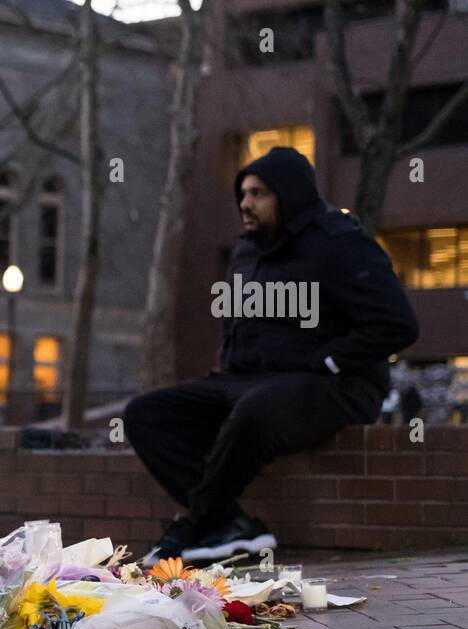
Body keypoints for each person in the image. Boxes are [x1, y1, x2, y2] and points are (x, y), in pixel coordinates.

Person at [124, 146, 419, 565]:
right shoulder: (246, 251)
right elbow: (236, 322)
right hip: (251, 380)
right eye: (242, 193)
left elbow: (398, 324)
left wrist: (329, 360)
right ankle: (231, 524)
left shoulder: (340, 244)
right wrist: (226, 366)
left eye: (258, 193)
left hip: (337, 384)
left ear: (290, 194)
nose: (245, 203)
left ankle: (193, 525)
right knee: (146, 414)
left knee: (255, 410)